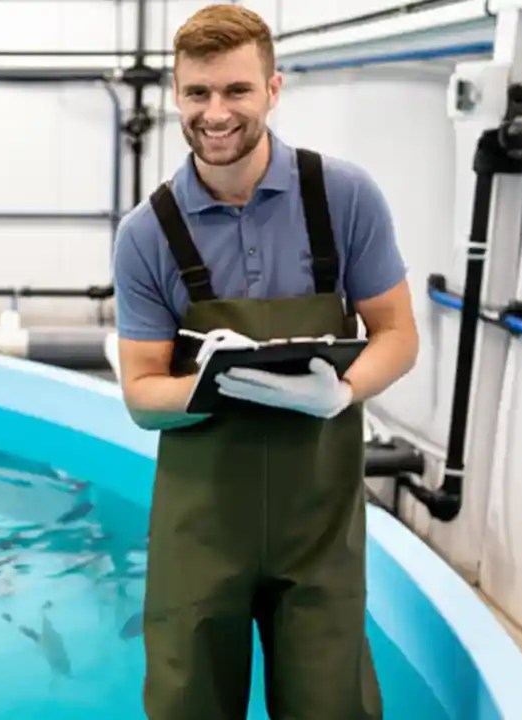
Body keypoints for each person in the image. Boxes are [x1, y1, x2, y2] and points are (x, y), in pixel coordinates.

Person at [111, 4, 419, 719]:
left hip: (319, 529)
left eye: (236, 91)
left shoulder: (343, 197)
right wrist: (217, 387)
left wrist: (342, 393)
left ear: (273, 89)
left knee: (330, 707)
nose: (215, 113)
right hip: (202, 531)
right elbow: (139, 395)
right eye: (197, 93)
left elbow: (398, 334)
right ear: (175, 96)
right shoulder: (147, 234)